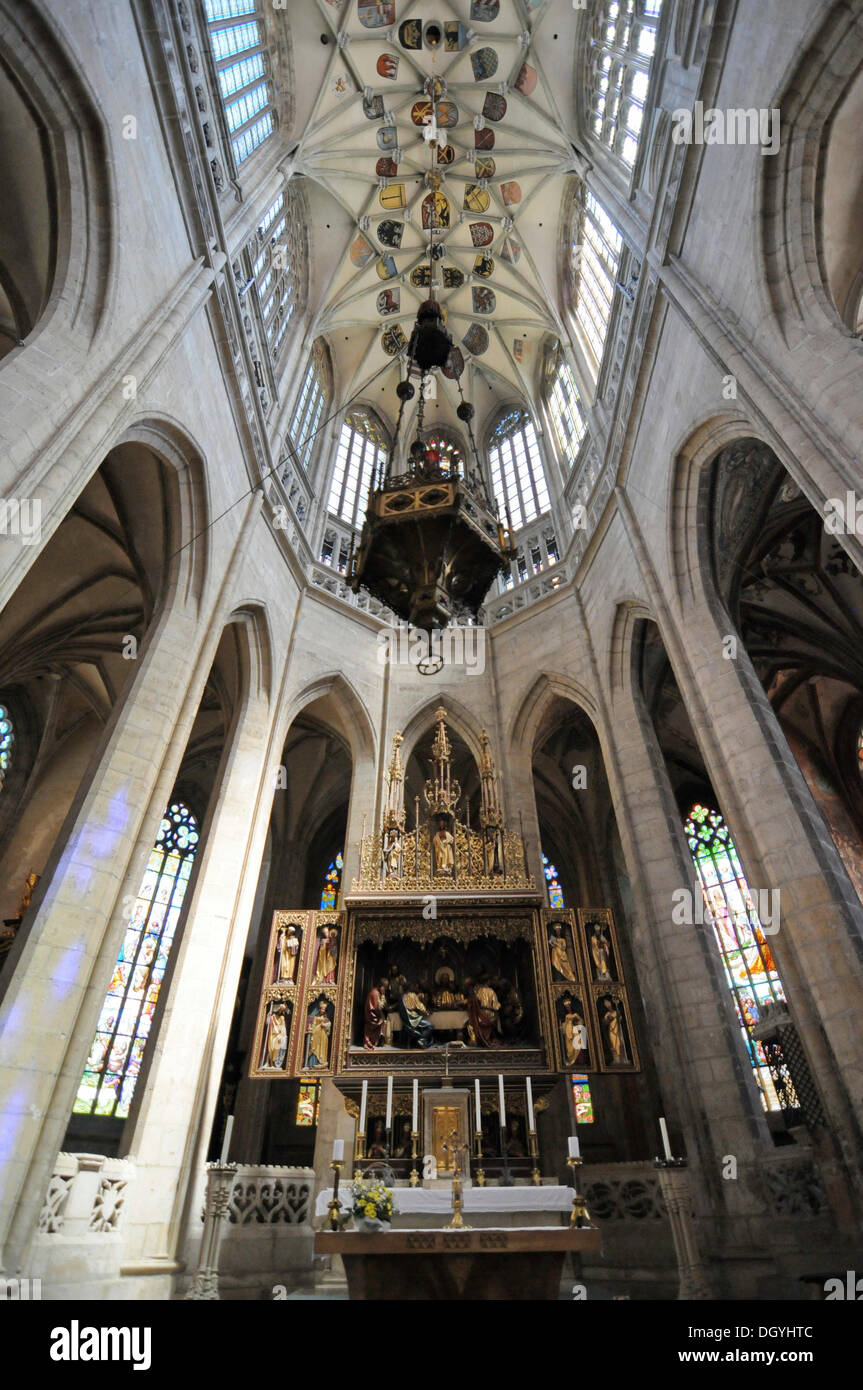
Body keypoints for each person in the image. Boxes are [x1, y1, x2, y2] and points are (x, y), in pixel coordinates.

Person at [398, 982, 435, 1048]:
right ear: (409, 988)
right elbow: (421, 1007)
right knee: (430, 1026)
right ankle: (422, 1040)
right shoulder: (412, 995)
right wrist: (427, 1012)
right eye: (413, 986)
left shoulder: (402, 997)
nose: (415, 988)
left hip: (406, 1021)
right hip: (413, 1019)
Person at [467, 974, 500, 1046]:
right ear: (488, 982)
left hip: (479, 1016)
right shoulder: (491, 991)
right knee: (496, 1017)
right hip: (489, 1016)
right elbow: (496, 1006)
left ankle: (477, 1039)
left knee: (470, 1022)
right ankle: (490, 1039)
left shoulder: (477, 992)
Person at [307, 1000, 331, 1067]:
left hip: (323, 1035)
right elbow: (313, 1025)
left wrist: (324, 1025)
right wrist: (311, 1028)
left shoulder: (326, 1018)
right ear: (319, 1009)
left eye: (324, 1009)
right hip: (316, 1034)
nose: (322, 1010)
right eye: (321, 1009)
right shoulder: (315, 1017)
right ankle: (312, 1063)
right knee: (314, 1048)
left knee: (321, 1048)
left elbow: (329, 1024)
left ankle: (321, 1061)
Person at [364, 977, 387, 1050]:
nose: (385, 989)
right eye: (385, 987)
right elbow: (378, 1007)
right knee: (381, 1020)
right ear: (381, 986)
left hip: (375, 1014)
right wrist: (382, 1016)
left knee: (382, 1020)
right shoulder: (375, 993)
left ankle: (375, 1041)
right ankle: (370, 1042)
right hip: (372, 1015)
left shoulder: (377, 992)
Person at [265, 1003, 289, 1069]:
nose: (280, 1012)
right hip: (272, 1034)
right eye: (280, 1010)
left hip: (279, 1035)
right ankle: (270, 1063)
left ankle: (275, 1064)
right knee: (271, 1048)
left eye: (282, 1011)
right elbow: (267, 1023)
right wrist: (268, 1017)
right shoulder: (273, 1016)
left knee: (277, 1049)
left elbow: (283, 1027)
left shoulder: (282, 1017)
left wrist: (284, 1035)